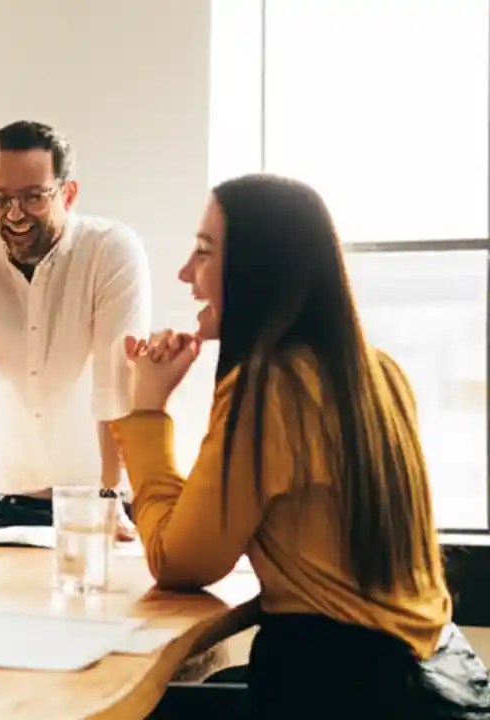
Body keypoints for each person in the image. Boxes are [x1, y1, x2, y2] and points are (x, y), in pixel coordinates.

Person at [115, 174, 490, 718]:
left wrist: (148, 410)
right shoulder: (380, 373)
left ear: (257, 268)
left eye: (204, 251)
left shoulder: (269, 387)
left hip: (348, 691)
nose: (185, 272)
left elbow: (180, 561)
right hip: (435, 678)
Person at [0, 120, 151, 539]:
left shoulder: (110, 250)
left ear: (68, 194)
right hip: (7, 502)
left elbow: (115, 380)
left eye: (33, 197)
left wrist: (110, 496)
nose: (14, 215)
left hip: (101, 502)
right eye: (0, 199)